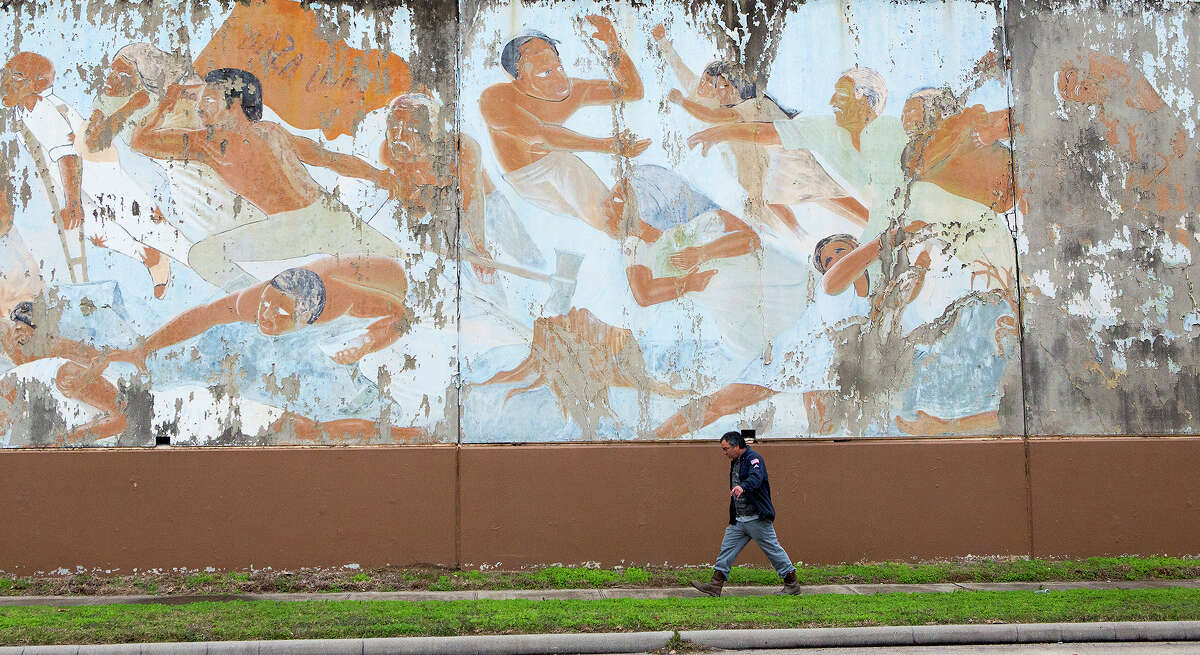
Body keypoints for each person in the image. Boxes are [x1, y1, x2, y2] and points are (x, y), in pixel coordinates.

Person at [131, 67, 404, 291]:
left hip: (324, 217)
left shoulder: (263, 134)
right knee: (204, 255)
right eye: (199, 100)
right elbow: (140, 142)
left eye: (209, 99)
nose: (199, 108)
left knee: (397, 263)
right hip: (294, 225)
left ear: (234, 103)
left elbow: (328, 158)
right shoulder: (215, 143)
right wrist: (165, 105)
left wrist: (379, 176)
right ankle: (265, 300)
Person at [650, 24, 862, 236]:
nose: (701, 86)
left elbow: (716, 118)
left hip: (785, 155)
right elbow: (681, 69)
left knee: (822, 192)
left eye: (711, 82)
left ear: (728, 85)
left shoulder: (750, 105)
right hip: (763, 163)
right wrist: (663, 42)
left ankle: (859, 221)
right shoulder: (708, 96)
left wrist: (683, 103)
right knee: (777, 200)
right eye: (704, 81)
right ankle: (798, 236)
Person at [479, 17, 649, 237]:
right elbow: (541, 135)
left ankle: (639, 236)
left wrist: (613, 45)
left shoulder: (574, 90)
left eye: (558, 67)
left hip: (553, 164)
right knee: (567, 165)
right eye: (545, 73)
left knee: (609, 211)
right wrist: (610, 145)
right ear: (518, 77)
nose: (560, 80)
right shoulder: (496, 98)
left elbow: (632, 91)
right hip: (528, 177)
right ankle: (634, 238)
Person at [691, 431, 801, 597]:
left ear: (736, 446)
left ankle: (791, 583)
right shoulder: (736, 460)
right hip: (739, 520)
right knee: (727, 550)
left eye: (726, 449)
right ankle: (715, 585)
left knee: (773, 550)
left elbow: (757, 478)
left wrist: (743, 486)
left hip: (757, 519)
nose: (724, 453)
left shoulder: (753, 459)